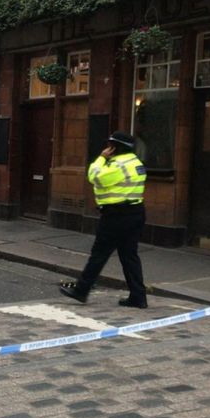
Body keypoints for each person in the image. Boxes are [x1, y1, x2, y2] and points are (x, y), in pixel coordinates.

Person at [60, 131, 148, 308]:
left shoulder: (118, 164)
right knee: (129, 256)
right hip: (135, 213)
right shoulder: (136, 163)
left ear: (116, 147)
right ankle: (138, 297)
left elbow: (95, 177)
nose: (108, 149)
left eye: (110, 145)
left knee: (99, 254)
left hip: (116, 216)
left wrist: (101, 158)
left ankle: (81, 290)